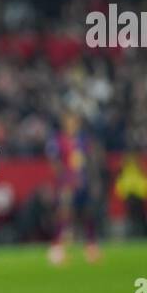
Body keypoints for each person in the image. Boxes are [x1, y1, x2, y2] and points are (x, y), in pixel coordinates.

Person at [46, 111, 101, 264]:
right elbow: (55, 163)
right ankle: (56, 249)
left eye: (74, 122)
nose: (72, 125)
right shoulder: (57, 140)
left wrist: (91, 180)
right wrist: (67, 179)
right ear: (64, 123)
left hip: (83, 182)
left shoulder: (83, 140)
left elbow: (89, 161)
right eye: (69, 122)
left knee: (87, 213)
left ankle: (91, 247)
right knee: (65, 213)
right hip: (67, 183)